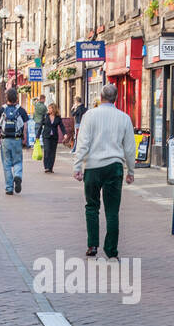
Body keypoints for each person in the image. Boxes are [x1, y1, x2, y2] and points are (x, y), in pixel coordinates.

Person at [73, 83, 136, 259]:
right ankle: (111, 250)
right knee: (112, 210)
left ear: (100, 97)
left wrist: (77, 166)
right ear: (115, 98)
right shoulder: (124, 118)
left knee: (92, 206)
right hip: (114, 167)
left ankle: (92, 245)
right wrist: (131, 171)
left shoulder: (89, 116)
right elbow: (130, 148)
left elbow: (83, 143)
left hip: (93, 167)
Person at [0, 89, 29, 194]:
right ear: (16, 98)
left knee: (7, 164)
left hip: (5, 140)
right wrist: (25, 137)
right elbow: (26, 125)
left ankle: (9, 188)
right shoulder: (21, 110)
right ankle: (18, 175)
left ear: (7, 98)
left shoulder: (1, 110)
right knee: (18, 161)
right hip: (17, 139)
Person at [42, 101, 65, 173]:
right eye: (48, 108)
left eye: (50, 108)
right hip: (46, 136)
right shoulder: (45, 116)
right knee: (47, 150)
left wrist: (65, 134)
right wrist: (37, 135)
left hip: (54, 137)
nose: (48, 110)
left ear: (54, 109)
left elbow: (62, 126)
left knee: (53, 152)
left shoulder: (58, 117)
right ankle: (46, 167)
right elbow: (40, 125)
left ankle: (50, 167)